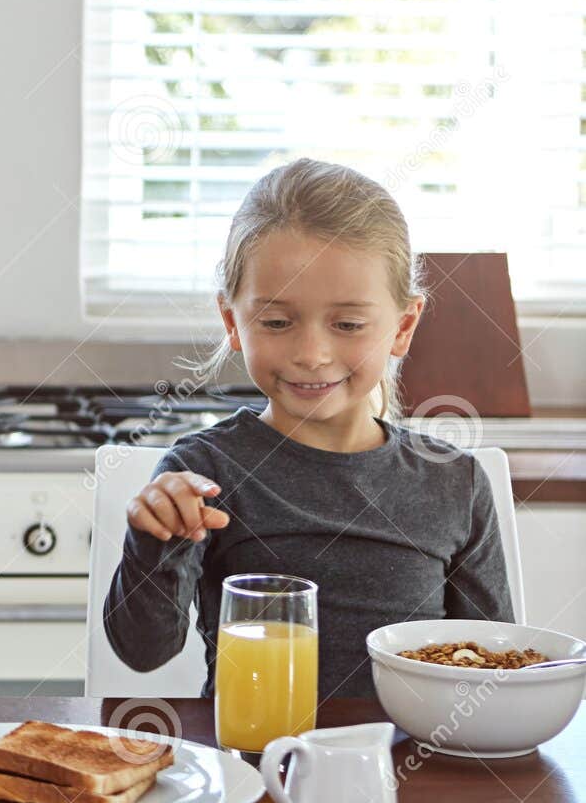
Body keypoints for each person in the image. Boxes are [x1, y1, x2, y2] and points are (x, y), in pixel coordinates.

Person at [104, 157, 511, 701]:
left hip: (405, 778)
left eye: (347, 325)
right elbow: (143, 651)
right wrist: (151, 543)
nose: (312, 354)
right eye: (275, 322)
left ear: (403, 326)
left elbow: (493, 667)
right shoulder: (203, 474)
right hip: (252, 771)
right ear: (233, 322)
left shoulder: (455, 483)